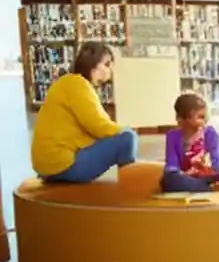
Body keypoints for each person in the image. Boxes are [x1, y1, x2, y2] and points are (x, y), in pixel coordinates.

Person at [30, 41, 138, 183]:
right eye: (106, 64)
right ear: (93, 65)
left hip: (48, 165)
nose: (109, 70)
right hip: (62, 164)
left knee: (123, 135)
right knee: (128, 138)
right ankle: (131, 188)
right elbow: (98, 126)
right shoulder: (78, 85)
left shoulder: (67, 82)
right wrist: (125, 130)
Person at [161, 93, 219, 193]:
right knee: (168, 179)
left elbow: (218, 161)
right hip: (185, 179)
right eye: (200, 117)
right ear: (182, 119)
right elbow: (171, 166)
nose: (204, 121)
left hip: (207, 177)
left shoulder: (209, 133)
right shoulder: (172, 136)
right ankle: (205, 188)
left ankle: (205, 187)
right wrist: (179, 175)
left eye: (204, 117)